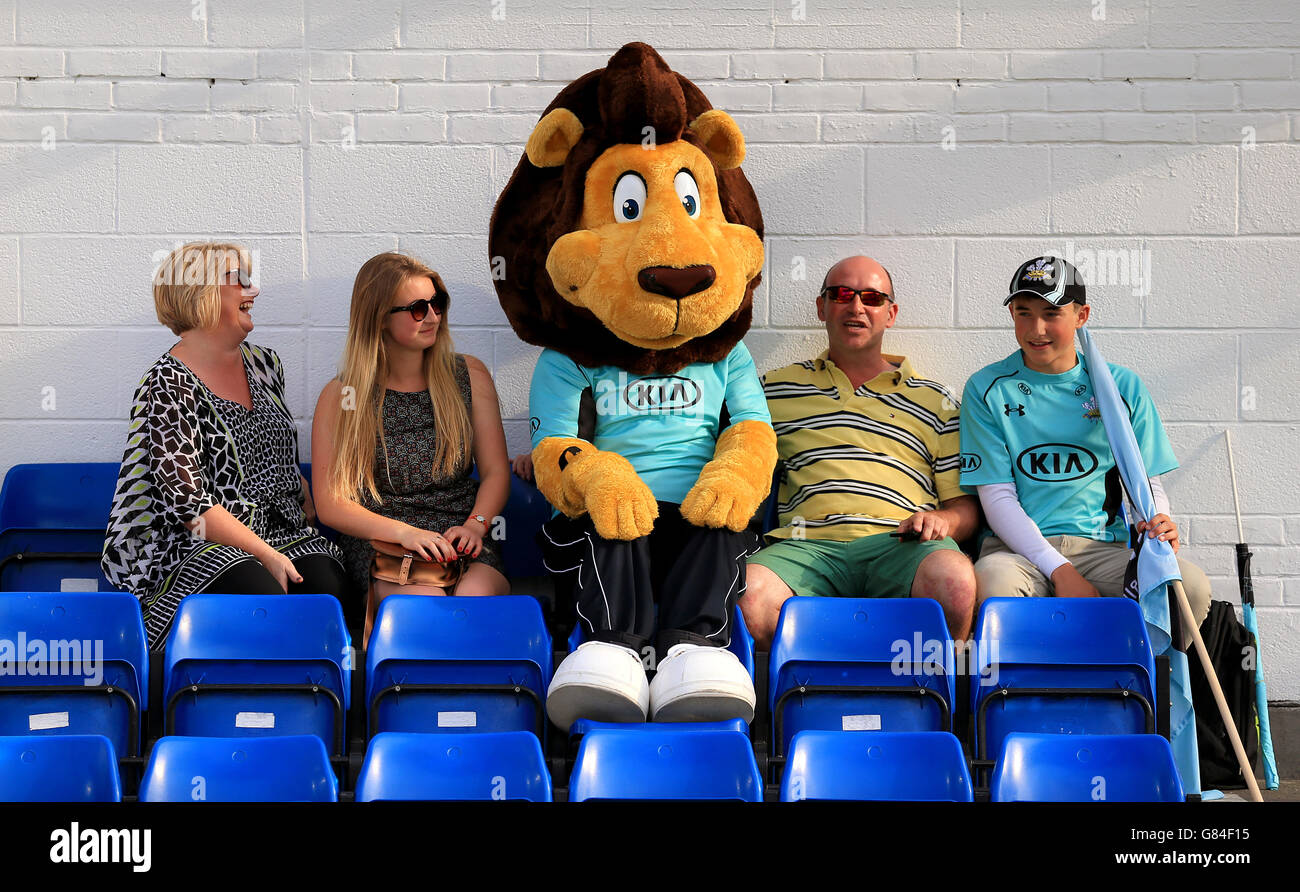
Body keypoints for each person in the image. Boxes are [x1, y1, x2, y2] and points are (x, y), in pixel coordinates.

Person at [102, 242, 349, 650]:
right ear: (199, 293)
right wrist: (265, 555)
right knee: (260, 597)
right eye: (240, 281)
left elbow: (279, 459)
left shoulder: (265, 364)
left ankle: (310, 706)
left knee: (327, 589)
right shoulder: (166, 383)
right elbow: (187, 505)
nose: (253, 291)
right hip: (196, 544)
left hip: (279, 529)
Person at [958, 256, 1211, 627]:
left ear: (1081, 315)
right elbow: (996, 499)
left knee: (1186, 588)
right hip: (1016, 552)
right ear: (1011, 312)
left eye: (1051, 313)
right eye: (1024, 312)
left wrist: (1159, 520)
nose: (1036, 328)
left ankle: (1142, 684)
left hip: (1102, 548)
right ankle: (1028, 687)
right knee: (995, 584)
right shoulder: (987, 388)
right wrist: (1060, 571)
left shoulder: (1119, 387)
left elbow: (1145, 481)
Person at [741, 255, 979, 648]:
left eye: (871, 297)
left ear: (891, 313)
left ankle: (932, 701)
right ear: (822, 307)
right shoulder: (772, 389)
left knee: (954, 580)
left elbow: (966, 509)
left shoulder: (936, 400)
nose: (856, 307)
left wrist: (944, 521)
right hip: (805, 547)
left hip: (902, 546)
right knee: (750, 593)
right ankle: (802, 699)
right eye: (842, 294)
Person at [311, 252, 510, 645]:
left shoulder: (467, 375)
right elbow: (330, 502)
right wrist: (404, 534)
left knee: (474, 612)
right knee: (424, 619)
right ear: (379, 317)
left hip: (460, 535)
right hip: (384, 541)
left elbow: (495, 472)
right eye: (418, 308)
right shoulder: (345, 395)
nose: (433, 316)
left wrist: (477, 524)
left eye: (438, 303)